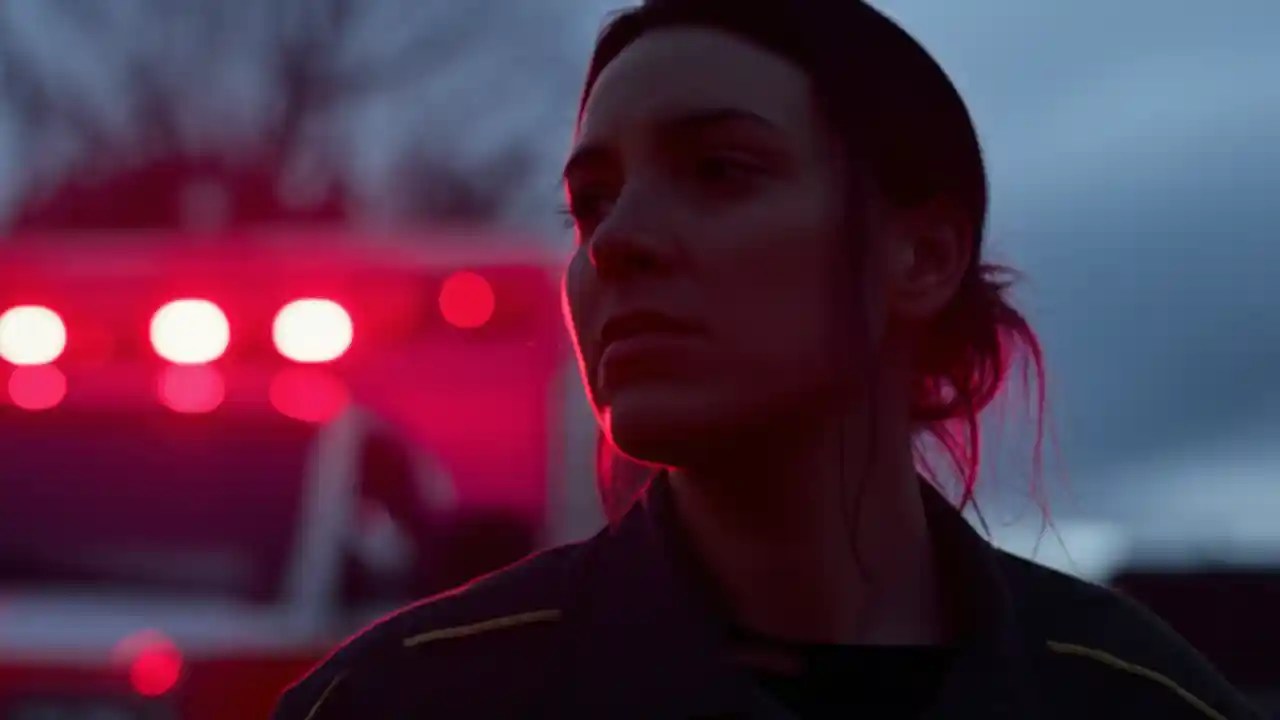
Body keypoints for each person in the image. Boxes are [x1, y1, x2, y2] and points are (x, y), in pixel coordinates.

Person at [273, 2, 1262, 718]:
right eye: (590, 202)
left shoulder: (1133, 698)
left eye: (719, 171)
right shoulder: (406, 699)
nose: (614, 241)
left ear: (917, 256)